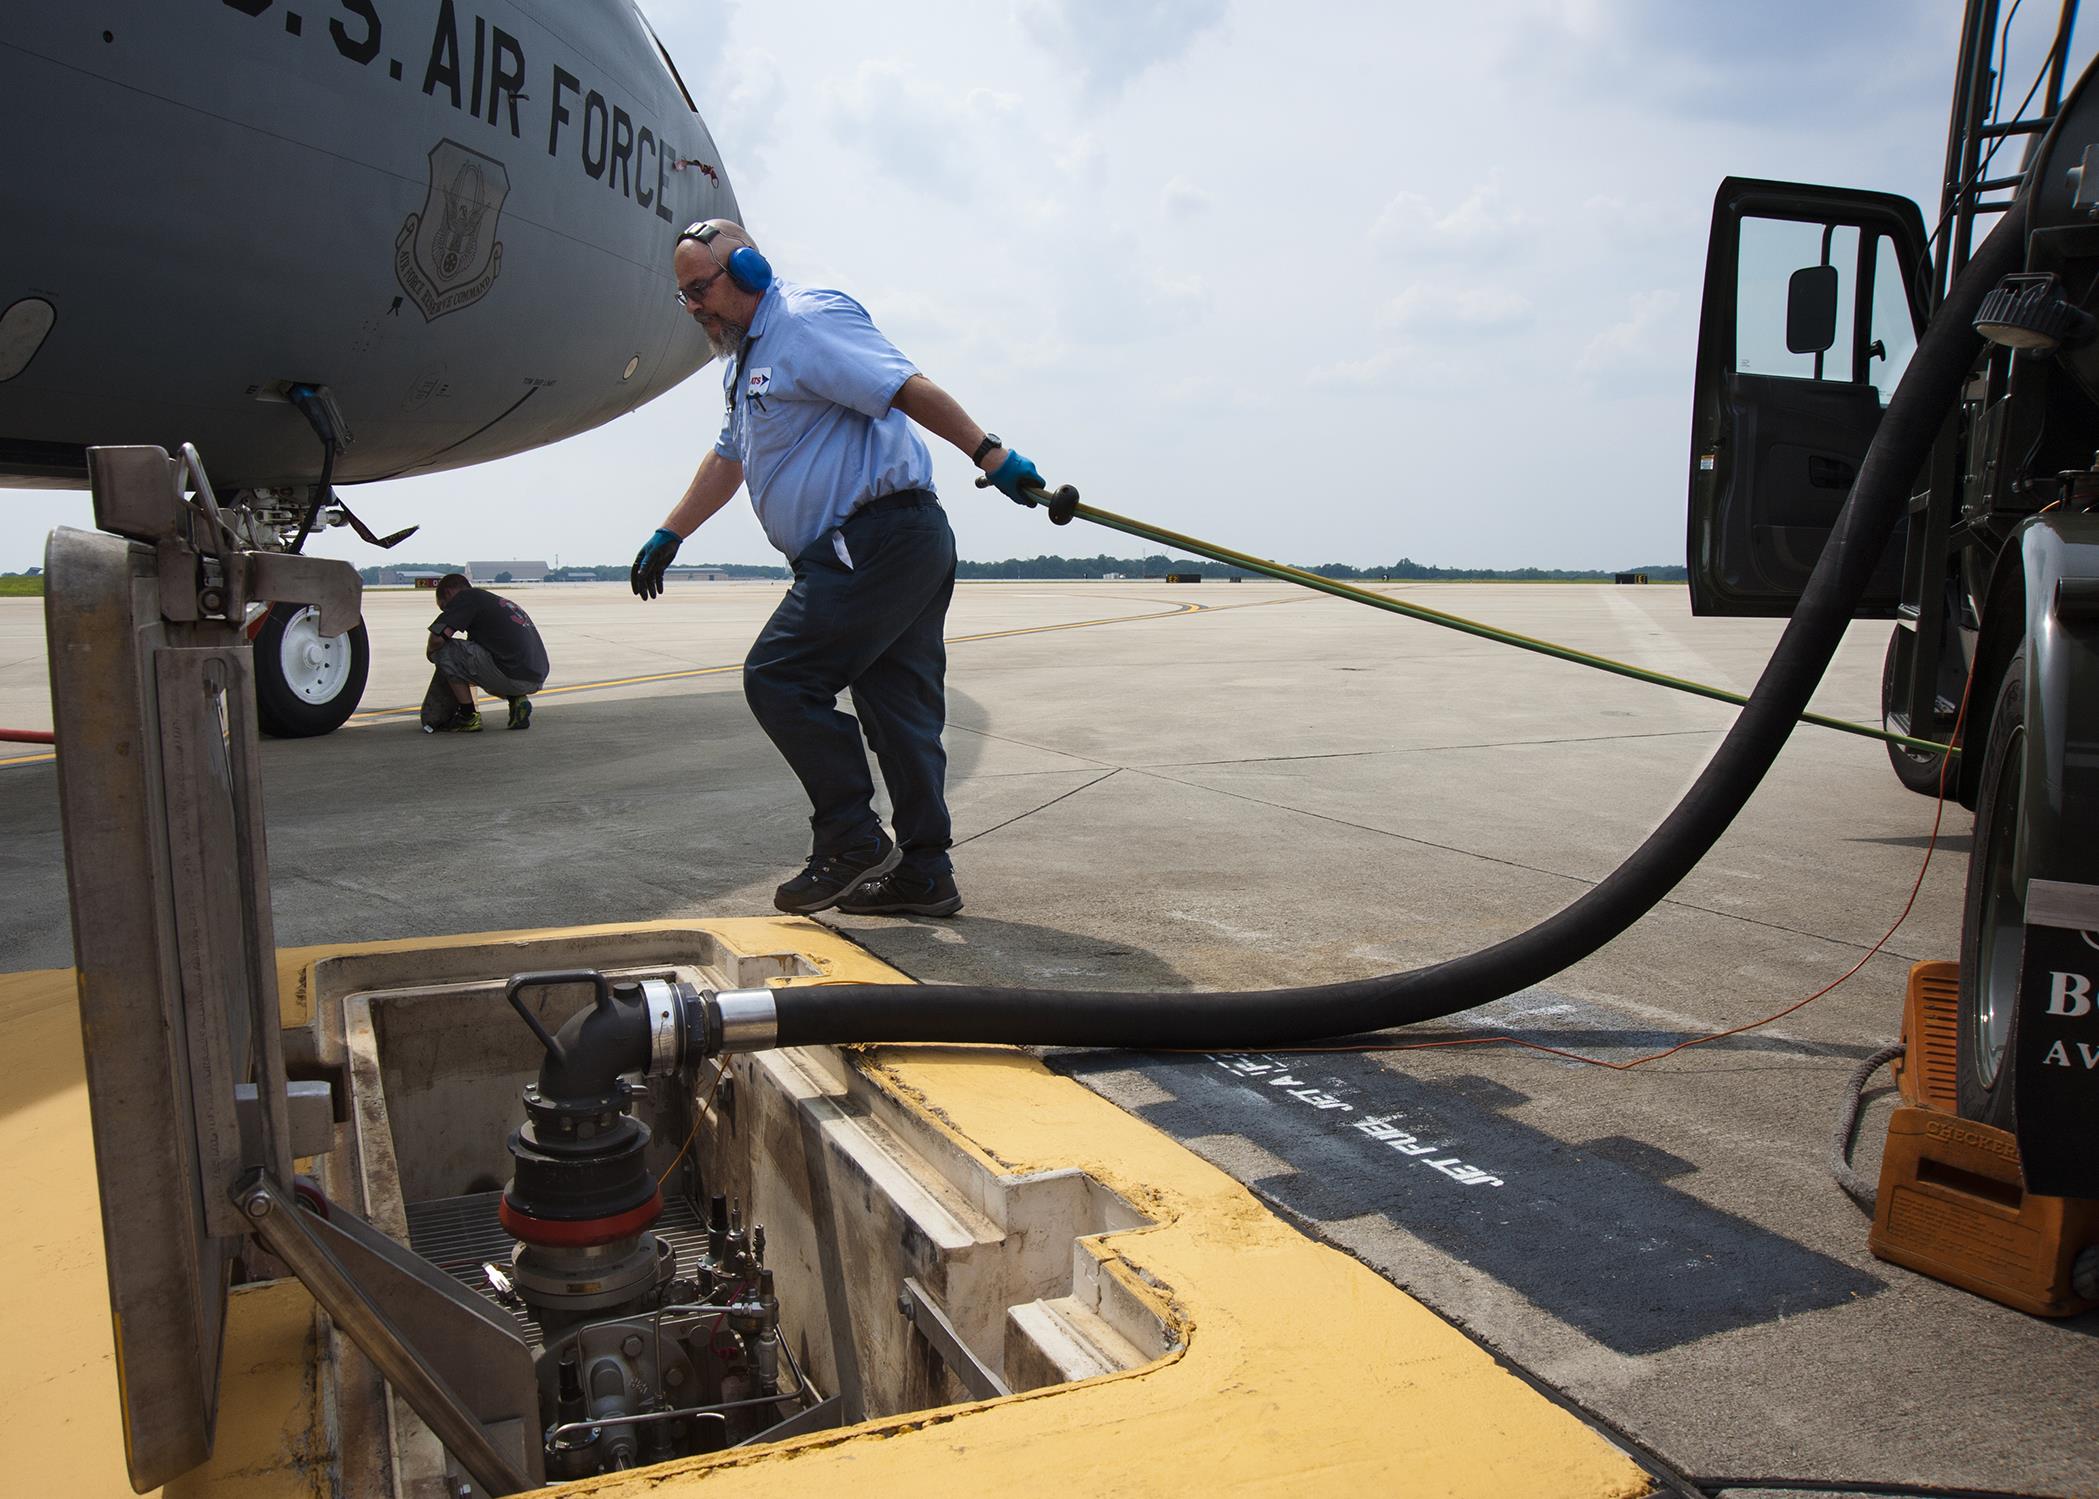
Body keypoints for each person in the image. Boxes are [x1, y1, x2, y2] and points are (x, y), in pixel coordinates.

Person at [630, 219, 1048, 918]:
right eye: (685, 297)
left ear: (747, 269)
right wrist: (672, 531)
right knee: (898, 714)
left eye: (700, 289)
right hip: (888, 546)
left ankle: (851, 837)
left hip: (874, 539)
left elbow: (904, 385)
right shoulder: (743, 356)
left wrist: (990, 455)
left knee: (780, 675)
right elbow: (730, 456)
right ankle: (925, 872)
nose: (693, 307)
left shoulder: (805, 321)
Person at [422, 573, 549, 733]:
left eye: (445, 607)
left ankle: (468, 716)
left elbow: (437, 639)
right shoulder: (492, 602)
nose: (448, 611)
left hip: (511, 673)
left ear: (448, 593)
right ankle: (516, 700)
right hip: (534, 676)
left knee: (444, 650)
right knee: (472, 665)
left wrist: (431, 654)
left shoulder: (466, 597)